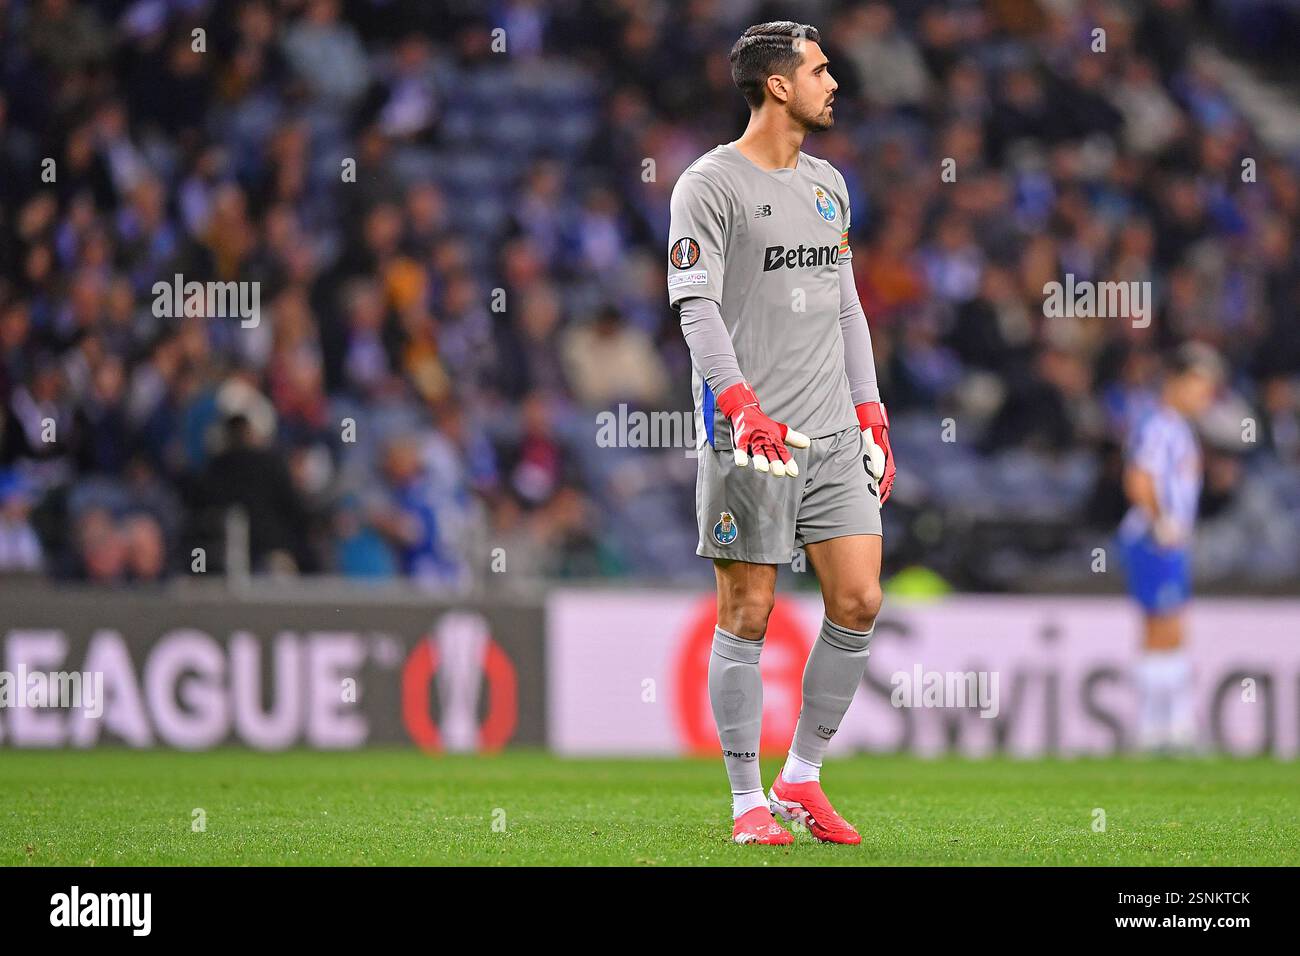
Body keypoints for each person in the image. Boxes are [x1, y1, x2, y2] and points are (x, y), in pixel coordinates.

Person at [668, 21, 893, 846]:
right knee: (750, 611)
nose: (835, 83)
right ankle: (744, 802)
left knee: (860, 598)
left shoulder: (830, 184)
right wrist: (739, 405)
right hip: (752, 436)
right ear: (777, 85)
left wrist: (869, 408)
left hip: (833, 432)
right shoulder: (708, 183)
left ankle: (801, 778)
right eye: (821, 70)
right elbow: (694, 306)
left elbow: (845, 305)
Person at [1118, 342, 1224, 752]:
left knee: (1169, 629)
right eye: (1200, 385)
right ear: (1177, 382)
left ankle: (1165, 726)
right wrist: (1162, 521)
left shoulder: (1177, 427)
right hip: (1153, 537)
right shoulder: (1159, 425)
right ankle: (1164, 727)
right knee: (1164, 627)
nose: (1205, 396)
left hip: (1167, 537)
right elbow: (1138, 478)